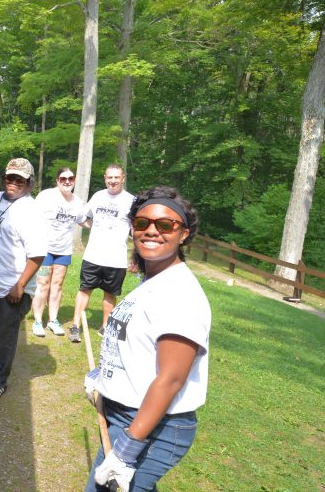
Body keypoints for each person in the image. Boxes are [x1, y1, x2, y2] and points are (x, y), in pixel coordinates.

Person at [84, 186, 211, 492]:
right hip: (127, 416)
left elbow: (170, 379)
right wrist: (104, 378)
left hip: (153, 427)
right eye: (142, 223)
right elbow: (138, 348)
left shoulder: (179, 293)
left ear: (184, 234)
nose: (151, 231)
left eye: (165, 225)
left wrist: (127, 448)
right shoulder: (152, 281)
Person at [0, 158, 46, 399]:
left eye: (20, 179)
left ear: (29, 183)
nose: (13, 183)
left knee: (0, 340)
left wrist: (20, 285)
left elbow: (37, 254)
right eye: (10, 177)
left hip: (9, 289)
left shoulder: (30, 210)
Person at [69, 164, 136, 342]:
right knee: (84, 290)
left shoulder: (131, 201)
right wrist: (94, 227)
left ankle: (106, 327)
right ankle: (75, 325)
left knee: (110, 294)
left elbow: (135, 230)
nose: (113, 181)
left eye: (116, 177)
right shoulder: (98, 196)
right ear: (105, 178)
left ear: (123, 178)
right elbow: (83, 217)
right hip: (93, 255)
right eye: (109, 177)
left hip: (116, 259)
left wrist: (136, 258)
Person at [30, 167, 86, 338]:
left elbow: (85, 222)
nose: (67, 181)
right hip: (44, 249)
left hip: (63, 250)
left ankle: (53, 321)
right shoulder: (46, 196)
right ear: (57, 181)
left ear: (74, 181)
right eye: (63, 178)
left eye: (70, 178)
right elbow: (31, 217)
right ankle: (38, 321)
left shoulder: (77, 202)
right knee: (43, 283)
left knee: (57, 284)